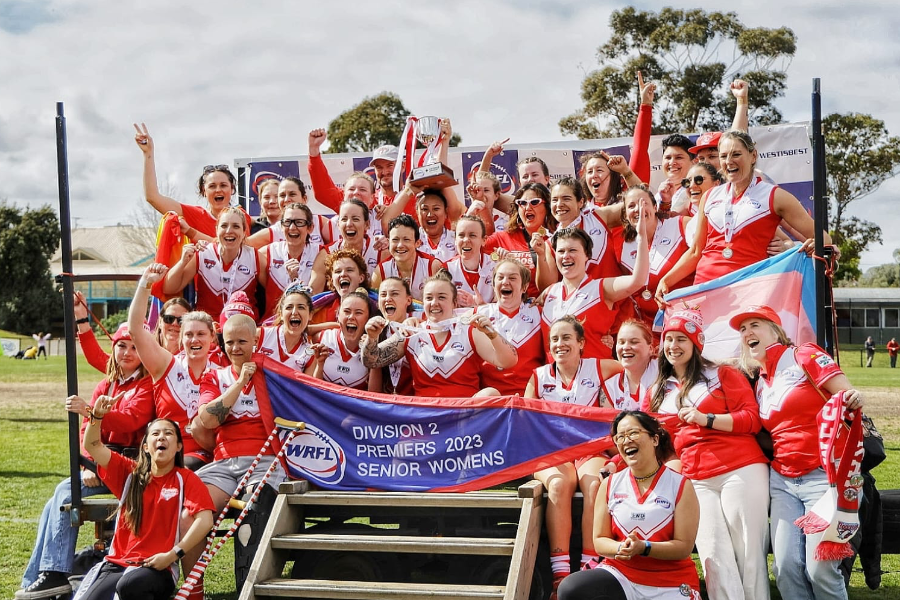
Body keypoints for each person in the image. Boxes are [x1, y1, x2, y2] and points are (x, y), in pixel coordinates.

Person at [731, 305, 865, 600]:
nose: (747, 333)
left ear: (775, 330)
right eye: (742, 330)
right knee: (786, 568)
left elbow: (847, 397)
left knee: (820, 570)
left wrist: (855, 398)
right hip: (783, 482)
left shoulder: (803, 354)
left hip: (825, 477)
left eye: (754, 325)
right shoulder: (760, 383)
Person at [17, 325, 154, 600]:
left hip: (128, 467)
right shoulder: (106, 384)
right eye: (120, 345)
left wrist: (93, 413)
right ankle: (36, 578)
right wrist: (89, 463)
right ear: (113, 348)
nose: (126, 353)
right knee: (54, 502)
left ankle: (54, 575)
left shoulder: (147, 384)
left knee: (65, 492)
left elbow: (131, 418)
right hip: (102, 464)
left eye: (134, 347)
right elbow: (86, 431)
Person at [645, 307, 769, 600]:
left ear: (696, 344)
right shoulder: (657, 391)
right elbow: (653, 439)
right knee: (713, 553)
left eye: (681, 340)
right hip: (695, 478)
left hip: (740, 467)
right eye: (669, 339)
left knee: (748, 550)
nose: (673, 346)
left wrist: (706, 419)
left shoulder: (722, 373)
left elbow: (751, 419)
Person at [657, 130, 832, 293]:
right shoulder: (709, 196)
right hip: (706, 288)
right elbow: (696, 251)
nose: (729, 161)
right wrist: (666, 280)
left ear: (753, 155)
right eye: (724, 156)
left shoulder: (775, 196)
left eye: (736, 154)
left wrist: (810, 245)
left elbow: (823, 239)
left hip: (750, 289)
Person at [523, 316, 624, 588]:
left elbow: (635, 368)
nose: (560, 343)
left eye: (567, 338)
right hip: (552, 453)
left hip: (589, 451)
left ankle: (590, 564)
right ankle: (560, 573)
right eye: (554, 339)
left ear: (581, 343)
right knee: (559, 483)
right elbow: (525, 419)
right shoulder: (539, 376)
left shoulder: (601, 368)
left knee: (594, 484)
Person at [558, 411, 701, 600]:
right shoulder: (609, 484)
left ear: (655, 439)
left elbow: (683, 547)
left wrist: (644, 547)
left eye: (633, 433)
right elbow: (600, 540)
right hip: (622, 575)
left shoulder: (681, 485)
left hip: (671, 582)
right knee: (571, 589)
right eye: (620, 437)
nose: (626, 441)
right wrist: (620, 549)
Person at [73, 416, 214, 600]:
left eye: (168, 433)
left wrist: (173, 555)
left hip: (158, 566)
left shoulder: (186, 478)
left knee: (129, 586)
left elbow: (205, 520)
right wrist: (97, 416)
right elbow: (92, 445)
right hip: (117, 563)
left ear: (179, 446)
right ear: (146, 446)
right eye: (155, 433)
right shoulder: (128, 473)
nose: (161, 437)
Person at [361, 271, 517, 397]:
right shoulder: (412, 332)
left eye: (441, 297)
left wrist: (491, 334)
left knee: (490, 394)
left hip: (464, 417)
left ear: (454, 303)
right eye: (429, 298)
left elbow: (508, 361)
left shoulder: (470, 331)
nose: (434, 303)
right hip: (426, 416)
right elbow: (372, 361)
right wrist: (372, 337)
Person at [130, 263, 217, 470]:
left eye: (201, 334)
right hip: (164, 453)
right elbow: (135, 330)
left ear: (212, 337)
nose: (194, 340)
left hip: (204, 455)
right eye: (188, 334)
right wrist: (145, 284)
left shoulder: (221, 370)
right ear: (181, 338)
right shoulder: (166, 364)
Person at [541, 222, 649, 361]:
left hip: (595, 378)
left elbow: (638, 280)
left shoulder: (600, 288)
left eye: (573, 250)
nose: (566, 256)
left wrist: (641, 237)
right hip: (556, 379)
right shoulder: (548, 293)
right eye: (561, 251)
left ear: (587, 255)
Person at [134, 123, 245, 237]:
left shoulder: (243, 217)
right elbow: (152, 197)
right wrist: (148, 153)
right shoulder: (194, 215)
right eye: (212, 186)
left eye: (223, 185)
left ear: (232, 189)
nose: (218, 190)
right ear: (203, 191)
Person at [163, 207, 260, 323]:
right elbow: (169, 288)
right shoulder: (203, 253)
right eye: (224, 226)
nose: (229, 230)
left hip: (242, 328)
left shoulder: (254, 257)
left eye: (236, 226)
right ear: (216, 230)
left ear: (244, 232)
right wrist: (183, 262)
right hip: (207, 327)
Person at [615, 184, 691, 326]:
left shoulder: (680, 225)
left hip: (684, 320)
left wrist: (667, 280)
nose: (638, 209)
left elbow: (699, 253)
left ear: (655, 207)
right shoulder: (623, 246)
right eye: (631, 206)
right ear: (625, 214)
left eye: (643, 203)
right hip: (647, 329)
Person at [473, 259, 544, 395]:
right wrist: (418, 320)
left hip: (529, 397)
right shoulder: (478, 314)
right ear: (493, 285)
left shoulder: (539, 314)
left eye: (512, 278)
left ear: (524, 287)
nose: (505, 282)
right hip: (491, 398)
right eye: (500, 277)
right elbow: (444, 320)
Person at [484, 182, 559, 297]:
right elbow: (470, 248)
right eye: (522, 203)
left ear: (547, 206)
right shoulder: (502, 237)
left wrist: (541, 254)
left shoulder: (557, 238)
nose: (528, 208)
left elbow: (550, 287)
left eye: (534, 202)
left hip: (547, 306)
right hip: (513, 308)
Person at [257, 203, 325, 320]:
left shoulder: (320, 253)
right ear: (281, 226)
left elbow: (313, 298)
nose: (292, 227)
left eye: (299, 222)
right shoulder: (267, 253)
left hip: (305, 323)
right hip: (272, 324)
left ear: (310, 228)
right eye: (287, 222)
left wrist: (295, 281)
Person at [307, 288, 381, 391]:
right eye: (346, 311)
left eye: (358, 313)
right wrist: (319, 363)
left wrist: (372, 355)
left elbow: (374, 396)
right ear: (338, 315)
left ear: (368, 319)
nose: (351, 317)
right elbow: (311, 390)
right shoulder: (321, 338)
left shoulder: (374, 347)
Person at [550, 177, 624, 278]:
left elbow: (639, 202)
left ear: (580, 202)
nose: (559, 204)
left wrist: (626, 172)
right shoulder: (550, 242)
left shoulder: (598, 217)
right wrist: (540, 255)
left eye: (566, 199)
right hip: (581, 294)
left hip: (613, 291)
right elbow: (548, 285)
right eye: (554, 200)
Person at [371, 214, 443, 301]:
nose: (400, 245)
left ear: (417, 243)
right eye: (395, 240)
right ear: (388, 242)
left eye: (406, 240)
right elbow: (374, 304)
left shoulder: (433, 267)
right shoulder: (381, 271)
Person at [256, 284, 314, 372]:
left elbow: (306, 385)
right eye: (289, 307)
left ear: (310, 315)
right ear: (281, 314)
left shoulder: (309, 353)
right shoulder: (261, 335)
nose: (294, 312)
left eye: (301, 307)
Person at [310, 248, 371, 326]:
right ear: (331, 280)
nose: (343, 274)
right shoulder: (318, 310)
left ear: (361, 278)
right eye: (338, 271)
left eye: (349, 270)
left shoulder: (374, 307)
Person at [446, 215, 493, 306]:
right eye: (461, 235)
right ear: (455, 240)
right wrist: (452, 302)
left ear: (484, 240)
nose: (466, 240)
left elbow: (504, 308)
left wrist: (481, 305)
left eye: (472, 235)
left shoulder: (496, 267)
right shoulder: (446, 269)